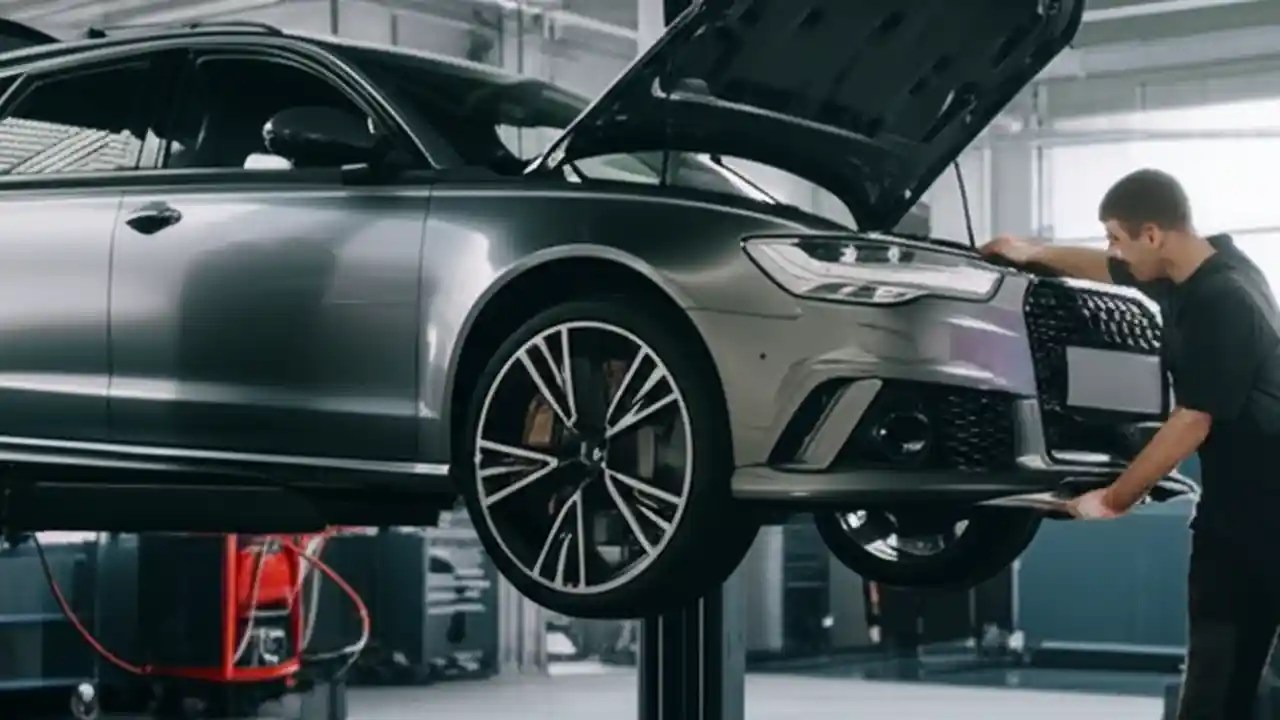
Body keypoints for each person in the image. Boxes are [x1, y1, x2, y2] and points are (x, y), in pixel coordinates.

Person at [981, 168, 1280, 719]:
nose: (1112, 249)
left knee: (1216, 696)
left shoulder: (1222, 299)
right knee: (1224, 689)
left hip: (1255, 530)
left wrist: (1114, 498)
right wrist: (1029, 251)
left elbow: (1193, 419)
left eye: (1117, 236)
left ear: (1152, 235)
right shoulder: (1202, 270)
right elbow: (1110, 270)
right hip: (1242, 520)